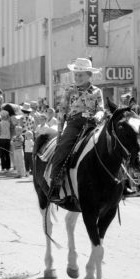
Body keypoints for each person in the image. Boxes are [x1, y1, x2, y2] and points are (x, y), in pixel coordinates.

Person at [48, 57, 105, 203]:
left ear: (89, 75)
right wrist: (60, 131)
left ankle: (121, 181)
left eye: (80, 75)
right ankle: (55, 184)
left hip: (92, 124)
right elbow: (62, 110)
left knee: (110, 144)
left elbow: (101, 109)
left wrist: (98, 116)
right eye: (76, 75)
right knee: (62, 148)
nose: (77, 77)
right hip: (74, 124)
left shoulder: (97, 91)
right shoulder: (69, 90)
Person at [0, 104, 14, 174]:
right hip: (7, 138)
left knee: (2, 154)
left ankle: (3, 167)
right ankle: (8, 167)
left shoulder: (0, 123)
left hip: (1, 139)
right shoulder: (9, 123)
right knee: (7, 153)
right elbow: (11, 130)